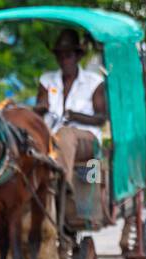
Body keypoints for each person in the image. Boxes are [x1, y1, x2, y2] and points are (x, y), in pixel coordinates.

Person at [34, 28, 107, 186]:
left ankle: (61, 183)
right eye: (60, 56)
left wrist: (75, 116)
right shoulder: (46, 80)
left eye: (68, 56)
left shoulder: (94, 81)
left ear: (78, 56)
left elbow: (101, 119)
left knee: (65, 134)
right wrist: (40, 107)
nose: (64, 60)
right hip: (50, 137)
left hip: (87, 140)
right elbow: (39, 107)